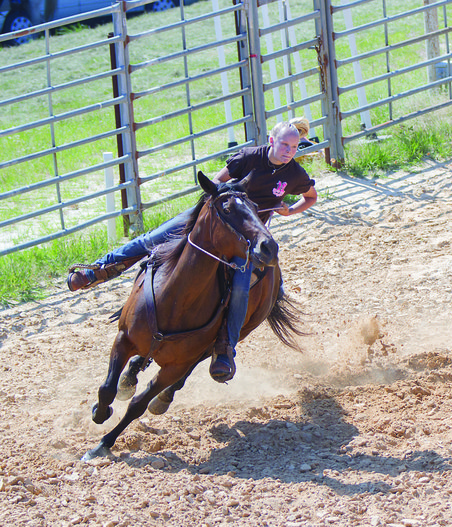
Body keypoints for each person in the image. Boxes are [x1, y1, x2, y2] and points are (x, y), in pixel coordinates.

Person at [67, 117, 317, 383]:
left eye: (295, 146)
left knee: (242, 287)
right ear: (272, 141)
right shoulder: (248, 158)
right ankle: (100, 270)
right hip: (216, 220)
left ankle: (225, 349)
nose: (290, 151)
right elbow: (215, 187)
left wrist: (290, 210)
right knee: (152, 238)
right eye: (285, 144)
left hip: (245, 239)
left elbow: (311, 197)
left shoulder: (295, 175)